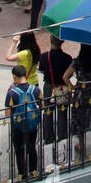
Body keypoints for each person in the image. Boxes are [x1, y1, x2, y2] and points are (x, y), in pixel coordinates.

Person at [38, 33, 74, 169]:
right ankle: (62, 136)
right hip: (62, 87)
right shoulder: (67, 58)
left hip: (49, 86)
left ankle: (48, 136)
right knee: (62, 111)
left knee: (47, 110)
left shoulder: (43, 57)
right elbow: (70, 73)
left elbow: (41, 70)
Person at [5, 64, 42, 181]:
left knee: (19, 149)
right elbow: (42, 106)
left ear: (14, 77)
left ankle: (22, 173)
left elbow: (7, 113)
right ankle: (33, 170)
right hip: (32, 124)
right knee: (32, 146)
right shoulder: (35, 90)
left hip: (18, 126)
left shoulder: (12, 93)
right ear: (26, 75)